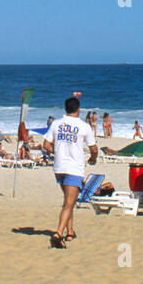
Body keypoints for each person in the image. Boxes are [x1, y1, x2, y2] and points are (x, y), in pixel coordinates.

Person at [43, 96, 98, 249]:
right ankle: (58, 234)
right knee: (69, 203)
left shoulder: (56, 124)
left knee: (68, 201)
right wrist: (93, 158)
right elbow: (93, 148)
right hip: (74, 168)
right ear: (78, 109)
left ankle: (70, 231)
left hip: (59, 167)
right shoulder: (83, 126)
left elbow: (46, 145)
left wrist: (59, 152)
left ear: (65, 109)